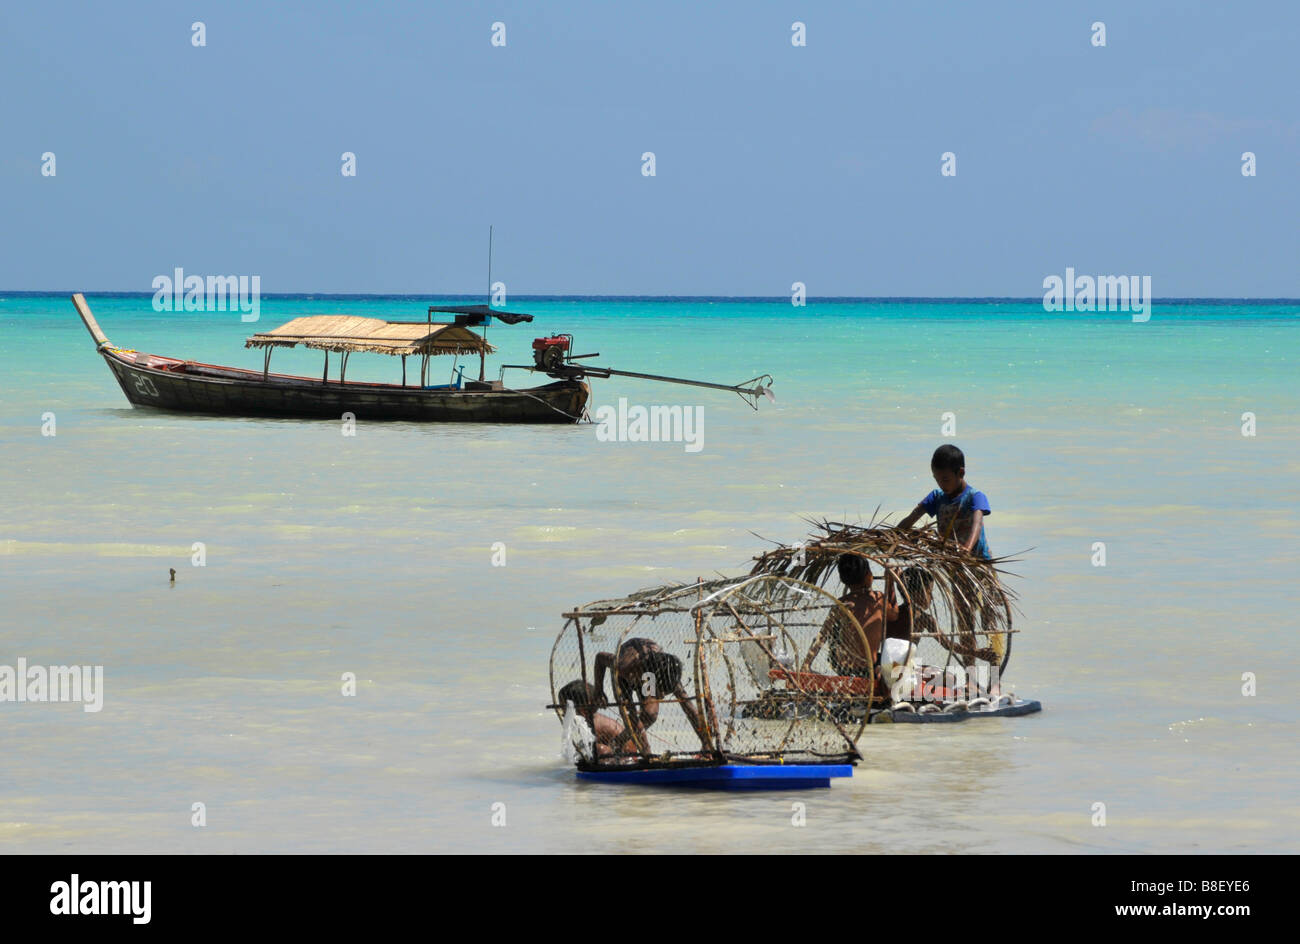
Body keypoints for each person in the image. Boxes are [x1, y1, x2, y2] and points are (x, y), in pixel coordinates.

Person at [593, 638, 713, 753]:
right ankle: (619, 745)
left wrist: (706, 742)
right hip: (626, 674)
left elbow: (689, 708)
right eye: (660, 693)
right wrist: (599, 690)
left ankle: (618, 742)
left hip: (648, 672)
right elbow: (600, 657)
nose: (662, 697)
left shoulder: (667, 672)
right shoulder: (624, 666)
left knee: (650, 715)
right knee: (630, 714)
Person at [804, 553, 898, 679]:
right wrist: (891, 584)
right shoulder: (878, 600)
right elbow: (895, 615)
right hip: (868, 669)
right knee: (898, 660)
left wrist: (807, 663)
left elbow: (822, 635)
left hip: (844, 668)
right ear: (869, 576)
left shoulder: (841, 604)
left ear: (843, 580)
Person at [897, 444, 992, 558]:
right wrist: (894, 534)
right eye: (937, 479)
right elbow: (911, 518)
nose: (941, 484)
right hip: (949, 558)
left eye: (945, 479)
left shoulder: (975, 497)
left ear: (961, 473)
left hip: (976, 560)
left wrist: (966, 549)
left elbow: (977, 525)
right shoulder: (936, 497)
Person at [556, 680, 628, 757]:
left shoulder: (593, 724)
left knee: (596, 748)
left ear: (580, 707)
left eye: (564, 707)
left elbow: (602, 749)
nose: (562, 711)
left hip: (624, 755)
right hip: (618, 751)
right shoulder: (591, 718)